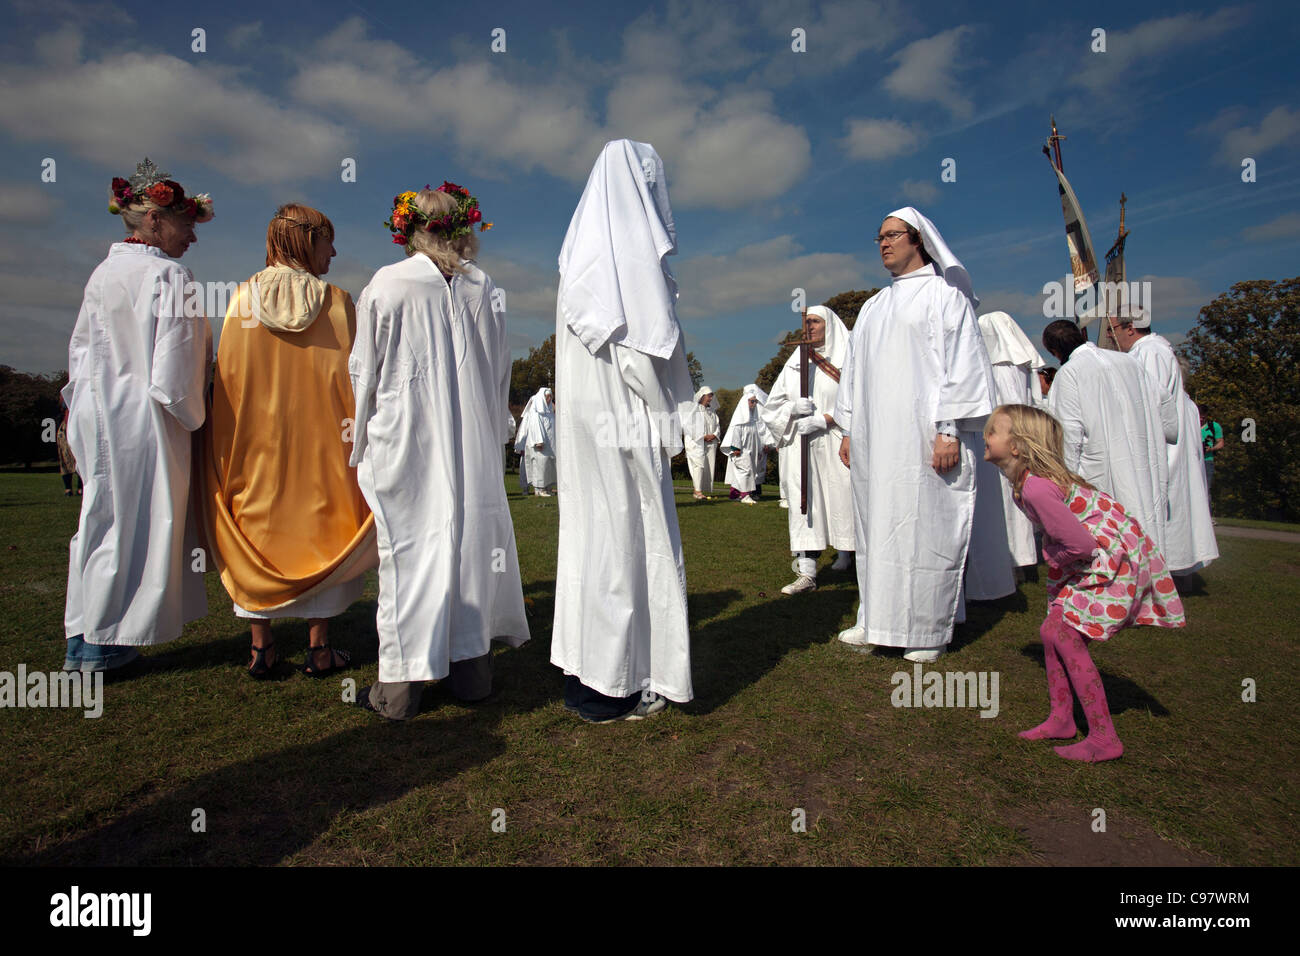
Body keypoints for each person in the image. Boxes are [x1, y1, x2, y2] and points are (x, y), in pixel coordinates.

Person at [349, 182, 529, 719]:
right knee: (470, 551)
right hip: (470, 443)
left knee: (413, 555)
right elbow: (501, 372)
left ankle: (400, 693)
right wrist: (495, 429)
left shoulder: (389, 283)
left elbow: (364, 371)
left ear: (409, 229)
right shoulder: (485, 288)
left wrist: (359, 436)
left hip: (410, 442)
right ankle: (471, 677)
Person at [198, 204, 378, 679]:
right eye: (328, 241)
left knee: (259, 527)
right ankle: (319, 648)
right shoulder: (337, 303)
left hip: (257, 449)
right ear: (306, 241)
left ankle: (262, 647)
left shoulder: (240, 301)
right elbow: (356, 383)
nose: (334, 252)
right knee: (320, 528)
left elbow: (230, 384)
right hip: (323, 447)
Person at [552, 139, 693, 722]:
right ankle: (634, 678)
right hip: (623, 419)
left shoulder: (577, 259)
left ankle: (593, 672)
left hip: (586, 426)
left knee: (592, 538)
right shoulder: (627, 257)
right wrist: (670, 419)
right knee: (637, 539)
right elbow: (644, 352)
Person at [63, 159, 213, 672]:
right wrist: (199, 414)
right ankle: (106, 646)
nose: (191, 236)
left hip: (98, 412)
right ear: (154, 221)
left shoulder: (103, 275)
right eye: (185, 223)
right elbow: (178, 367)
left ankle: (84, 639)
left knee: (101, 519)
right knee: (137, 522)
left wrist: (81, 409)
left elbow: (80, 353)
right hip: (147, 418)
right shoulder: (170, 275)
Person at [834, 207, 995, 662]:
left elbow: (962, 365)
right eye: (879, 237)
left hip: (925, 437)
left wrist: (948, 430)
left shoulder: (946, 297)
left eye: (892, 235)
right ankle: (876, 620)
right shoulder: (874, 306)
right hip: (876, 441)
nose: (884, 243)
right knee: (877, 526)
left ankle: (927, 631)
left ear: (918, 239)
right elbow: (855, 374)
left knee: (927, 526)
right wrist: (848, 427)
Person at [984, 404, 1185, 761]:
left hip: (1111, 559)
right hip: (1101, 555)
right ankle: (1062, 719)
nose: (985, 437)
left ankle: (1104, 737)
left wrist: (1052, 560)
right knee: (1052, 631)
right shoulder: (1025, 484)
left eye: (992, 431)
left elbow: (1080, 544)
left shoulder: (1035, 488)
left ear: (1016, 446)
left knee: (1062, 633)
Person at [1041, 319, 1170, 555]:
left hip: (1100, 472)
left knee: (1112, 539)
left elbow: (1067, 436)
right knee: (1144, 531)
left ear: (1054, 351)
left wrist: (1064, 482)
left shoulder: (1069, 373)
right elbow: (1167, 412)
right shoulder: (1130, 361)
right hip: (1143, 463)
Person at [1111, 312, 1218, 575]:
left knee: (1163, 508)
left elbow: (1150, 401)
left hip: (1160, 447)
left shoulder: (1151, 352)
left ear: (1130, 327)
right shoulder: (1150, 350)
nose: (1112, 338)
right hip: (1159, 444)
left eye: (1114, 329)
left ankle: (1163, 569)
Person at [759, 306, 854, 593]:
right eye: (806, 322)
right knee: (806, 506)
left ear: (829, 325)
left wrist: (825, 418)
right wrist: (792, 409)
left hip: (840, 443)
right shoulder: (796, 361)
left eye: (814, 322)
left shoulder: (849, 357)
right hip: (805, 447)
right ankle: (808, 572)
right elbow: (773, 406)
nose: (808, 327)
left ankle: (858, 563)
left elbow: (863, 398)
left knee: (847, 500)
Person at [975, 311, 1045, 571]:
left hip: (1004, 440)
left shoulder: (1000, 367)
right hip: (1024, 437)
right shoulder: (1024, 364)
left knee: (1007, 502)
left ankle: (1014, 558)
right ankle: (1025, 555)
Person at [721, 384, 770, 504]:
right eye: (752, 401)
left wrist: (758, 450)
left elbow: (756, 438)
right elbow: (735, 435)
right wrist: (736, 448)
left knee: (748, 472)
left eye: (755, 402)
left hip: (751, 452)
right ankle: (745, 495)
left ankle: (737, 494)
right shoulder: (739, 421)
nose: (754, 404)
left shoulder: (753, 421)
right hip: (741, 451)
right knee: (745, 471)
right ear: (745, 402)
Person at [515, 387, 556, 496]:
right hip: (541, 446)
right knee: (540, 465)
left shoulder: (549, 413)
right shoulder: (536, 413)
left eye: (550, 397)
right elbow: (535, 428)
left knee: (548, 466)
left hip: (550, 447)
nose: (549, 399)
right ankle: (539, 488)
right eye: (547, 397)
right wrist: (539, 441)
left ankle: (547, 487)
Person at [682, 385, 720, 499]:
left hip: (710, 443)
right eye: (709, 396)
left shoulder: (712, 412)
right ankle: (697, 491)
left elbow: (717, 426)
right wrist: (702, 436)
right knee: (698, 465)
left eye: (712, 396)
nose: (711, 398)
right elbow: (688, 426)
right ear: (702, 396)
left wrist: (714, 435)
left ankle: (700, 490)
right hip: (696, 443)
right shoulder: (694, 410)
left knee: (707, 466)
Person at [1199, 403, 1223, 514]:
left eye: (1203, 416)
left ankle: (1207, 515)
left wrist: (1210, 449)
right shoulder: (1190, 425)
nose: (1201, 418)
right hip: (1193, 461)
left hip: (1207, 461)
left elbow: (1221, 443)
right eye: (1199, 416)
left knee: (1206, 488)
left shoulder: (1214, 427)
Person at [55, 402, 82, 497]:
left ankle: (80, 488)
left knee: (80, 459)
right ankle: (68, 488)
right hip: (67, 426)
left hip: (79, 425)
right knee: (65, 459)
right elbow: (63, 404)